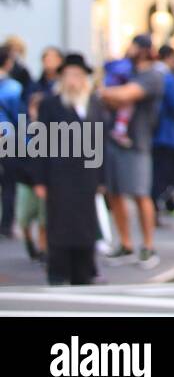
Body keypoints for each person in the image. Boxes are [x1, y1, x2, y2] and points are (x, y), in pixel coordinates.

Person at [32, 54, 108, 286]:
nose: (73, 80)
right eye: (68, 75)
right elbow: (40, 144)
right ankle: (57, 271)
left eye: (77, 75)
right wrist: (39, 179)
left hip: (86, 174)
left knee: (85, 223)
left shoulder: (93, 103)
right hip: (59, 174)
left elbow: (100, 143)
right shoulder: (51, 104)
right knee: (60, 223)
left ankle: (84, 271)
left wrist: (102, 178)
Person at [98, 36, 164, 269]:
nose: (130, 50)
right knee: (114, 193)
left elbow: (125, 95)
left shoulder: (153, 75)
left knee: (140, 194)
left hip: (138, 142)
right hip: (114, 139)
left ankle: (148, 246)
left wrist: (102, 91)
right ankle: (125, 244)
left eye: (135, 46)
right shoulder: (125, 70)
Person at [150, 45, 174, 217]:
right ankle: (157, 207)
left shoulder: (152, 74)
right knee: (164, 175)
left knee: (157, 174)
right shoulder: (168, 78)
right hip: (167, 133)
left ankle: (155, 208)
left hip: (154, 133)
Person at [15, 91, 48, 262]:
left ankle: (43, 250)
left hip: (43, 182)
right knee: (24, 218)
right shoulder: (24, 128)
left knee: (44, 218)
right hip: (26, 180)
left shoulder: (52, 129)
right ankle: (29, 241)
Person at [0, 44, 24, 238]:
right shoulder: (13, 87)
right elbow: (20, 116)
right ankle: (6, 224)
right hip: (7, 136)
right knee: (9, 182)